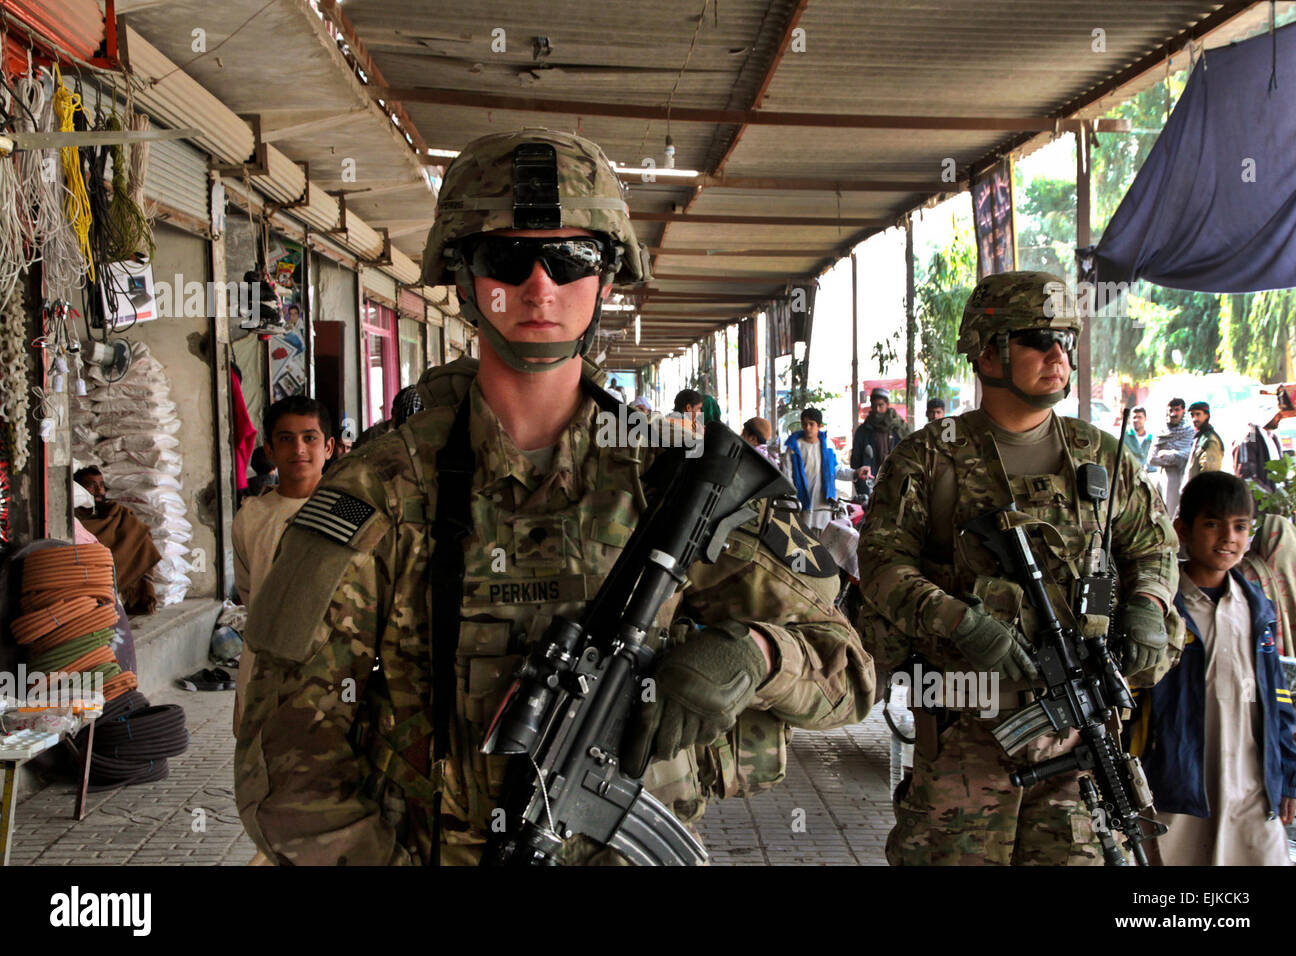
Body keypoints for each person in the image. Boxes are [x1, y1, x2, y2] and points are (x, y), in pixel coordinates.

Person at [235, 128, 874, 866]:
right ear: (464, 275)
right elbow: (285, 755)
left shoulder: (679, 480)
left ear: (608, 278)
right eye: (507, 258)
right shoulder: (379, 489)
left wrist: (757, 652)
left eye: (572, 259)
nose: (540, 288)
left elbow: (851, 674)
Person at [857, 270, 1180, 866]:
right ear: (987, 351)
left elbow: (1154, 549)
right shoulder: (930, 456)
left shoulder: (1101, 456)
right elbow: (880, 565)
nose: (1058, 355)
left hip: (1078, 734)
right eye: (1037, 338)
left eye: (1065, 340)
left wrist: (1147, 607)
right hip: (964, 732)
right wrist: (958, 621)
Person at [1130, 472, 1296, 865]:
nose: (1229, 538)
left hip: (1251, 781)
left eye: (1240, 527)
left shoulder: (1255, 605)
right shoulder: (1163, 607)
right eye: (1212, 524)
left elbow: (1277, 696)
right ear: (1182, 529)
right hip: (1177, 779)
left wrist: (1288, 771)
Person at [231, 396, 335, 736]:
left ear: (329, 447)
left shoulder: (349, 512)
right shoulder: (253, 516)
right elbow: (249, 588)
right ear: (270, 450)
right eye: (286, 439)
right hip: (264, 660)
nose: (299, 449)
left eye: (310, 437)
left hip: (330, 661)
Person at [73, 466, 163, 615]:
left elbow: (137, 531)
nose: (99, 491)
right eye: (91, 485)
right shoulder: (75, 523)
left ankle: (136, 597)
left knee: (137, 531)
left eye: (101, 485)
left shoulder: (116, 514)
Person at [781, 407, 869, 534]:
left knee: (823, 543)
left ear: (819, 426)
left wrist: (855, 473)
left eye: (811, 424)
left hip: (824, 506)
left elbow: (836, 470)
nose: (807, 428)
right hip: (802, 505)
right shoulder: (794, 448)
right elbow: (787, 476)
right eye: (804, 424)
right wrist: (791, 503)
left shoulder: (828, 446)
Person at [851, 387, 907, 497]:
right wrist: (861, 483)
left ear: (887, 405)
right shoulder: (863, 431)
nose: (877, 409)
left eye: (880, 405)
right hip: (870, 484)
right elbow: (856, 460)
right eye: (874, 405)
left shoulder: (898, 428)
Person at [1150, 398, 1194, 517]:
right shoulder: (1161, 431)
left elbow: (1188, 454)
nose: (1174, 413)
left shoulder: (1189, 431)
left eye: (1177, 410)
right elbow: (1152, 458)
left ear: (1183, 411)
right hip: (1162, 478)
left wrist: (1171, 454)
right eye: (1171, 410)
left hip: (1181, 477)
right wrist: (1174, 458)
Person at [1185, 400, 1224, 483]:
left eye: (1198, 414)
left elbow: (1209, 473)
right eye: (1192, 415)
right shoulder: (1199, 437)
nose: (1194, 419)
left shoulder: (1209, 440)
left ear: (1206, 415)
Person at [1123, 405, 1154, 472]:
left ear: (1145, 419)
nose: (1136, 420)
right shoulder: (1124, 436)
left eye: (1140, 417)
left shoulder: (1151, 438)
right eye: (1134, 417)